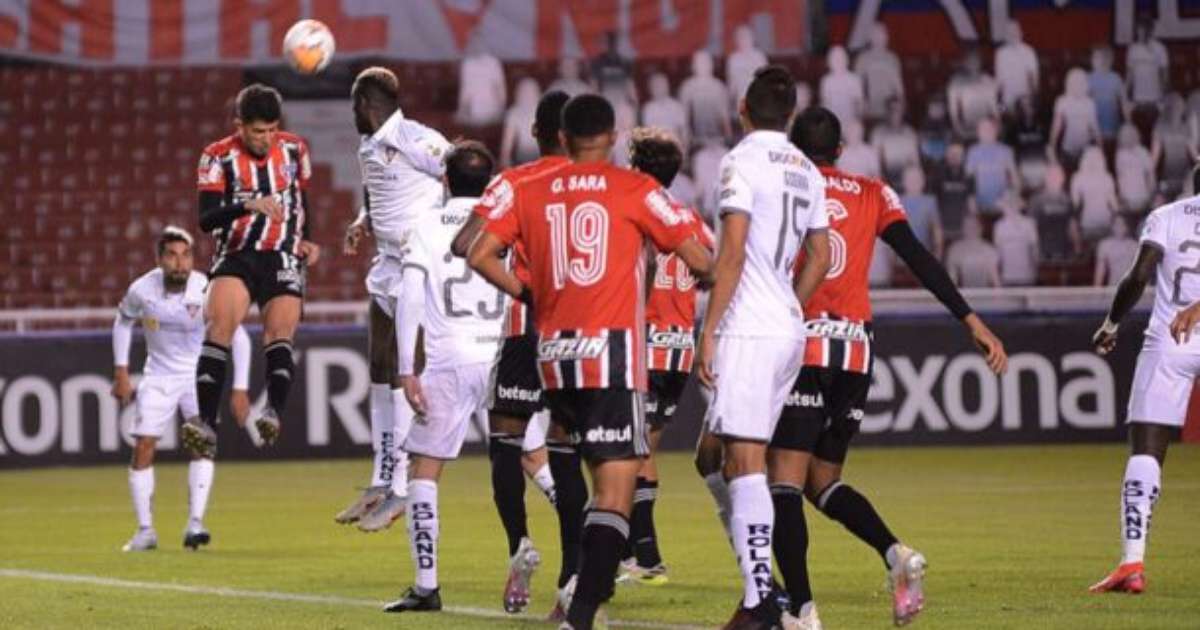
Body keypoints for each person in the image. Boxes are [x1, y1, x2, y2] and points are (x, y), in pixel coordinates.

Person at [751, 105, 1006, 628]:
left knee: (782, 481)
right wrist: (970, 318)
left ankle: (801, 608)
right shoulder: (874, 192)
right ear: (841, 150)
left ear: (796, 150)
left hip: (803, 347)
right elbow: (918, 256)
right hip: (857, 353)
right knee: (822, 483)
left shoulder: (782, 187)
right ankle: (895, 555)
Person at [468, 93, 714, 630]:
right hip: (614, 357)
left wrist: (528, 294)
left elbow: (475, 251)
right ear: (611, 135)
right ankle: (578, 611)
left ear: (563, 136)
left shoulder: (529, 188)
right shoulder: (637, 188)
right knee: (617, 489)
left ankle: (574, 587)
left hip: (554, 356)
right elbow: (700, 258)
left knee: (566, 452)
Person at [694, 66, 831, 630]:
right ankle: (760, 590)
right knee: (717, 457)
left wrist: (709, 331)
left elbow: (730, 254)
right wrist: (788, 304)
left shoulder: (741, 162)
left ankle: (760, 605)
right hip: (786, 328)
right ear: (792, 114)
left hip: (750, 329)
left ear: (742, 109)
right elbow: (821, 256)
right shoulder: (807, 170)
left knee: (745, 464)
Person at [450, 91, 589, 619]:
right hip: (583, 334)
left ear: (538, 132)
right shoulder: (604, 186)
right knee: (568, 455)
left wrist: (525, 290)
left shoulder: (516, 181)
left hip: (526, 332)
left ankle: (519, 544)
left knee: (506, 448)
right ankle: (572, 579)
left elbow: (466, 244)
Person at [383, 142, 505, 613]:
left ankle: (427, 584)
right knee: (537, 460)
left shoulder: (428, 225)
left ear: (445, 181)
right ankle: (584, 563)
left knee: (424, 469)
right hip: (500, 355)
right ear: (489, 182)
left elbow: (410, 297)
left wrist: (405, 369)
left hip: (449, 359)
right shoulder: (504, 219)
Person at [337, 67, 453, 532]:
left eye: (353, 107)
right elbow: (381, 187)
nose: (351, 115)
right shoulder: (370, 144)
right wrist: (363, 219)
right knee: (380, 372)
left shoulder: (416, 137)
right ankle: (382, 478)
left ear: (366, 104)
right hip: (384, 265)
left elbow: (463, 174)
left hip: (416, 266)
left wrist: (443, 234)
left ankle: (404, 486)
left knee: (408, 372)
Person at [188, 84, 321, 457]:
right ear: (239, 126)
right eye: (257, 131)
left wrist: (307, 238)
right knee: (219, 329)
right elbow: (206, 219)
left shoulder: (295, 148)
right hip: (237, 254)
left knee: (280, 334)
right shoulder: (216, 156)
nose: (265, 139)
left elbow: (300, 197)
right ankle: (206, 423)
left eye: (271, 130)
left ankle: (273, 414)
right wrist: (249, 205)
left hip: (281, 254)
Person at [1090, 166, 1200, 594]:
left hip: (1169, 341)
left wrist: (1111, 324)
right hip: (1177, 331)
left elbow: (1137, 277)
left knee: (1147, 450)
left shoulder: (1165, 216)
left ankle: (1132, 564)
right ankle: (1129, 566)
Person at [112, 227, 252, 552]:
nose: (180, 263)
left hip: (197, 376)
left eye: (186, 255)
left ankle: (195, 524)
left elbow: (239, 336)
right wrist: (120, 370)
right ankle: (145, 531)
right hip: (158, 376)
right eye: (172, 255)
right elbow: (122, 321)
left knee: (203, 444)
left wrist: (240, 388)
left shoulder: (206, 288)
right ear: (159, 258)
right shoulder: (142, 289)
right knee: (144, 446)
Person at [616, 127, 714, 587]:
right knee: (638, 449)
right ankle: (632, 551)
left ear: (637, 169)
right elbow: (715, 268)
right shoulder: (692, 219)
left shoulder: (638, 213)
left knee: (624, 451)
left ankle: (644, 555)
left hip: (647, 346)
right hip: (679, 349)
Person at [1048, 68, 1101, 172]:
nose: (1077, 85)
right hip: (1067, 150)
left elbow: (1095, 128)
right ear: (1069, 84)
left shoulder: (1090, 103)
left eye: (1080, 82)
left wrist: (1100, 149)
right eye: (1074, 82)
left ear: (1085, 84)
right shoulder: (1062, 101)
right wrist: (1051, 146)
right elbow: (1056, 126)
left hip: (1085, 150)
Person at [965, 117, 1019, 215]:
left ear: (995, 131)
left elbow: (1015, 179)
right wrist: (971, 201)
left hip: (1003, 205)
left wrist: (1012, 198)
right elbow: (969, 180)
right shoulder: (972, 152)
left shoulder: (1006, 151)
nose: (986, 132)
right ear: (978, 132)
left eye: (989, 128)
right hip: (981, 205)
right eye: (983, 129)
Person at [1027, 164, 1080, 261]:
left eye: (1058, 176)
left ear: (1063, 178)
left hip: (1064, 250)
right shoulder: (1036, 200)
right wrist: (1034, 250)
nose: (1054, 179)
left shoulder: (1068, 200)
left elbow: (1073, 226)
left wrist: (1077, 247)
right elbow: (1030, 227)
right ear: (1045, 178)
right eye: (1051, 176)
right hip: (1043, 251)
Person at [1151, 93, 1198, 201]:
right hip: (1185, 179)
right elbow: (1194, 155)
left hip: (1167, 178)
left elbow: (1154, 160)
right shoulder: (1185, 128)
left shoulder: (1159, 128)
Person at [679, 50, 733, 145]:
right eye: (699, 62)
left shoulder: (719, 86)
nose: (703, 65)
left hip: (718, 139)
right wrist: (686, 140)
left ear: (711, 64)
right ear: (693, 66)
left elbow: (725, 117)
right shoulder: (687, 87)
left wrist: (729, 139)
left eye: (706, 62)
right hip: (696, 140)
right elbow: (683, 117)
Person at [853, 23, 903, 123]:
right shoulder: (862, 59)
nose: (879, 37)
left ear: (886, 36)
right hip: (869, 111)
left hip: (889, 110)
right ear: (870, 37)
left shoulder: (893, 58)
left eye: (882, 34)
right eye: (875, 34)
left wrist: (901, 103)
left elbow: (898, 85)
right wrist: (860, 105)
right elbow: (856, 85)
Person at [947, 47, 998, 142]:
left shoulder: (988, 80)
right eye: (970, 60)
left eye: (976, 60)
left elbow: (994, 108)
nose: (973, 63)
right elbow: (953, 111)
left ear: (981, 62)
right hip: (965, 128)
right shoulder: (956, 82)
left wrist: (997, 126)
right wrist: (959, 130)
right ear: (965, 62)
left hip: (986, 128)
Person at [1071, 146, 1119, 243]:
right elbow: (1114, 206)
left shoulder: (1078, 178)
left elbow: (1075, 204)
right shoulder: (1107, 178)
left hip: (1087, 224)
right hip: (1106, 222)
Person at [991, 192, 1039, 286]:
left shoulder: (1029, 223)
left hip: (1027, 276)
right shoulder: (999, 226)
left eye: (1013, 204)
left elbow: (1034, 249)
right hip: (1007, 276)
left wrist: (1035, 270)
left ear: (1019, 206)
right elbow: (997, 252)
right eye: (1007, 204)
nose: (1010, 207)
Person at [931, 141, 976, 241]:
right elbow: (933, 205)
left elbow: (972, 204)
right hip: (943, 229)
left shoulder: (969, 175)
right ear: (946, 155)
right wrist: (936, 228)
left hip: (962, 230)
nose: (955, 156)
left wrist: (972, 229)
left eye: (958, 153)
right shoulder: (938, 174)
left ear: (963, 156)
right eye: (952, 153)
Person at [870, 97, 919, 187]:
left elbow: (914, 160)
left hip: (905, 174)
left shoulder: (909, 132)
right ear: (887, 111)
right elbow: (875, 160)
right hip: (886, 173)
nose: (895, 112)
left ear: (903, 111)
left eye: (898, 109)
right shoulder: (878, 132)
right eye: (892, 109)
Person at [898, 165, 943, 259]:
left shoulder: (930, 201)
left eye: (917, 179)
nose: (913, 182)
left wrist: (939, 252)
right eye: (910, 179)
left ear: (923, 181)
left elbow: (937, 230)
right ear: (903, 182)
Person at [455, 46, 507, 127]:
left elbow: (500, 89)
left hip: (492, 113)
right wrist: (462, 111)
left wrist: (501, 110)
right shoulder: (467, 64)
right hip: (474, 113)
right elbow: (465, 91)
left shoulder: (493, 63)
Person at [1007, 95, 1049, 192]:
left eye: (1030, 106)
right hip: (1021, 170)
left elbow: (1048, 149)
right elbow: (1010, 154)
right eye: (1024, 106)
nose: (1028, 109)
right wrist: (1014, 174)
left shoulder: (1042, 127)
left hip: (1040, 169)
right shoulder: (1012, 129)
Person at [1125, 21, 1169, 112]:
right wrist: (1126, 92)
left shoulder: (1160, 48)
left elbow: (1165, 72)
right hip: (1138, 96)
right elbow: (1129, 74)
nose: (1141, 34)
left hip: (1156, 96)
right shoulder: (1133, 49)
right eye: (1139, 31)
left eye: (1144, 31)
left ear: (1151, 31)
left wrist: (1164, 93)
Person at [945, 215, 1001, 288]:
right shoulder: (955, 249)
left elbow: (995, 281)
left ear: (980, 228)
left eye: (974, 226)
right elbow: (952, 280)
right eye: (967, 227)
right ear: (963, 229)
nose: (970, 230)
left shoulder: (989, 250)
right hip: (962, 295)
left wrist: (999, 297)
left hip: (985, 295)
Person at [993, 20, 1038, 110]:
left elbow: (1032, 77)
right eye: (1009, 32)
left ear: (1021, 33)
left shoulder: (1029, 51)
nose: (1012, 34)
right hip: (1007, 98)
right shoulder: (1000, 53)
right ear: (1005, 35)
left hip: (1025, 97)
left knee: (1026, 123)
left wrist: (1033, 98)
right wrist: (998, 100)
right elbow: (999, 79)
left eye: (1015, 31)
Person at [500, 78, 545, 168]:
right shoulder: (514, 113)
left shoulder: (544, 111)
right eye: (524, 91)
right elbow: (507, 143)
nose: (527, 95)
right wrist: (505, 158)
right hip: (522, 157)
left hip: (541, 156)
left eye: (531, 91)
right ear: (517, 94)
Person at [641, 73, 689, 153]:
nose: (659, 88)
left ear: (667, 86)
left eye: (662, 84)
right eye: (655, 86)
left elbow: (684, 131)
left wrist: (684, 150)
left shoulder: (677, 107)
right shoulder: (648, 109)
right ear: (651, 89)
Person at [1115, 123, 1157, 214]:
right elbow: (1151, 175)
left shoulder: (1120, 155)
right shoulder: (1143, 152)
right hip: (1144, 198)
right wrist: (1152, 194)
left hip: (1126, 199)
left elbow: (1120, 179)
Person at [819, 46, 863, 128]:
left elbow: (859, 103)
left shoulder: (854, 79)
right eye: (834, 58)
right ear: (829, 62)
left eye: (840, 58)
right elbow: (825, 103)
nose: (837, 61)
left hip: (850, 122)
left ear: (846, 60)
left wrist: (857, 122)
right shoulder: (826, 81)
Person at [1088, 46, 1125, 141]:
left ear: (1108, 60)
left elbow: (1124, 102)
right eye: (1093, 57)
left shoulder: (1116, 78)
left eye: (1097, 57)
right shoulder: (1088, 78)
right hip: (1094, 127)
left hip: (1112, 126)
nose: (1093, 60)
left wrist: (1129, 123)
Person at [591, 31, 637, 108]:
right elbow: (594, 85)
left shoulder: (624, 62)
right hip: (604, 103)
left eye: (604, 41)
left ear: (612, 42)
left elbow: (630, 84)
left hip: (622, 103)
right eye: (601, 42)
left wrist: (634, 104)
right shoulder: (597, 62)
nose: (601, 44)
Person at [726, 24, 768, 106]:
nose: (744, 40)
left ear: (752, 38)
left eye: (746, 37)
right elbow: (732, 85)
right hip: (741, 99)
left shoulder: (759, 56)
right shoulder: (733, 59)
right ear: (737, 40)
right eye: (741, 37)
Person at [1093, 216, 1139, 287]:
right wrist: (1096, 291)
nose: (1119, 227)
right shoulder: (1104, 245)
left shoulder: (1135, 245)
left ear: (1127, 227)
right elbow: (1100, 271)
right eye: (1117, 224)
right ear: (1112, 226)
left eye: (1122, 225)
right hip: (1112, 287)